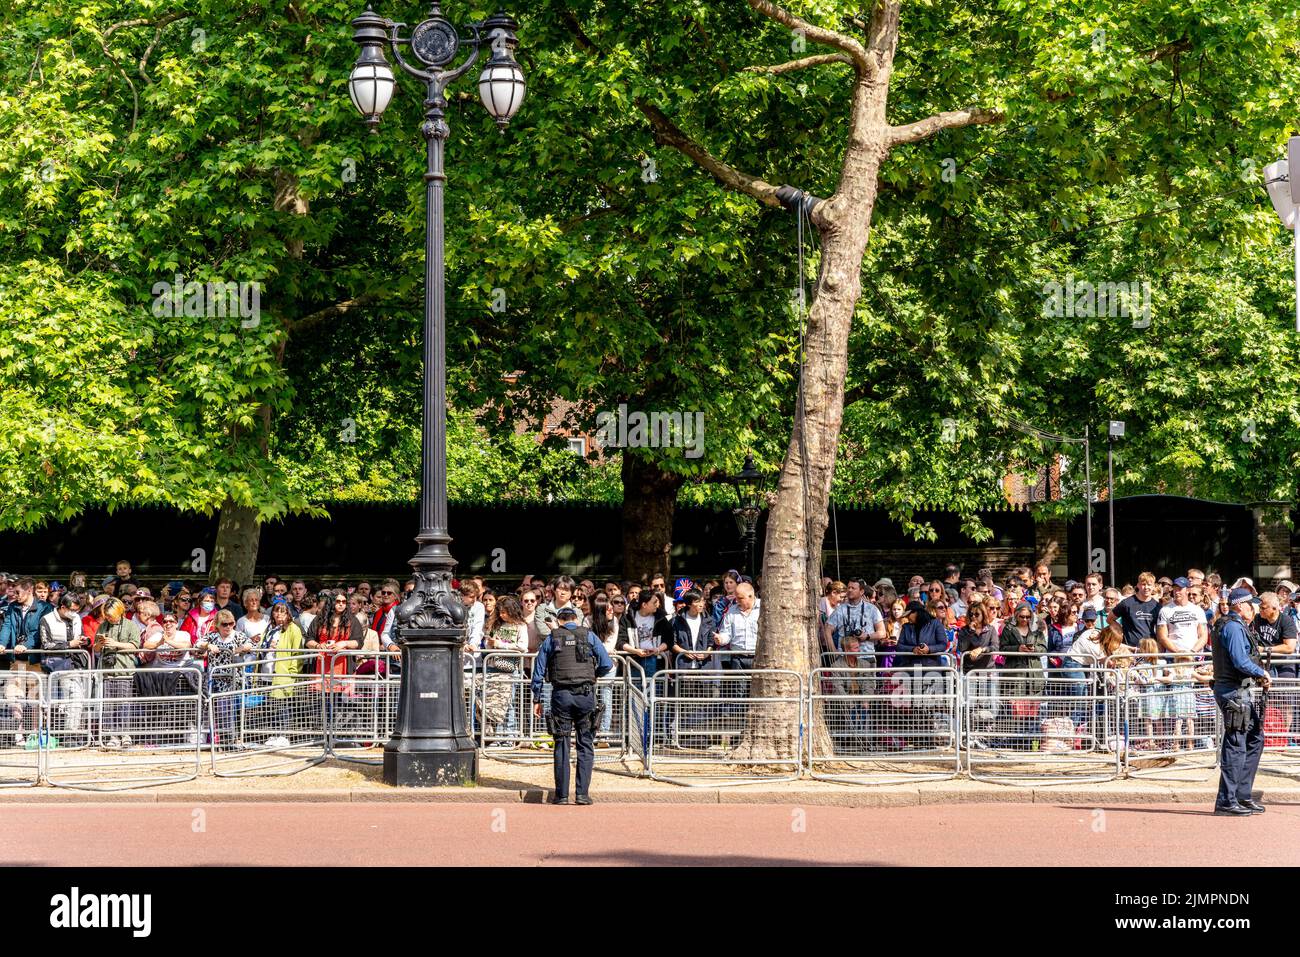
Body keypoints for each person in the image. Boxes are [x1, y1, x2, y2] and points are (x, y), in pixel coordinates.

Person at [531, 606, 612, 805]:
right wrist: (592, 676)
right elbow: (606, 664)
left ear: (559, 620)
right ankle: (582, 795)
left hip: (561, 696)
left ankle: (562, 795)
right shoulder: (589, 636)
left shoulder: (552, 638)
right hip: (585, 695)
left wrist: (536, 699)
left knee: (562, 744)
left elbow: (538, 671)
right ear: (576, 619)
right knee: (585, 744)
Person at [1210, 587, 1270, 815]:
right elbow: (1239, 660)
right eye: (1250, 604)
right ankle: (1227, 800)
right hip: (1234, 693)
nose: (1253, 608)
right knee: (1236, 744)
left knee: (1255, 738)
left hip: (1238, 691)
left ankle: (1242, 795)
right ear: (1240, 605)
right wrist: (1261, 673)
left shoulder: (1233, 625)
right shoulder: (1233, 627)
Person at [1156, 577, 1208, 654]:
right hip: (1173, 657)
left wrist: (1192, 652)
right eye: (1175, 589)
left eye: (1180, 589)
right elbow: (1162, 637)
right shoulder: (1165, 610)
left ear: (1187, 590)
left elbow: (1203, 636)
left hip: (1194, 656)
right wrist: (1178, 653)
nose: (1176, 592)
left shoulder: (1198, 610)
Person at [714, 582, 760, 669]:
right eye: (736, 598)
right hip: (737, 658)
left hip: (758, 657)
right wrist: (721, 639)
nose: (737, 601)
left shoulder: (763, 608)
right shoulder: (731, 610)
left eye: (740, 598)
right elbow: (726, 633)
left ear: (751, 596)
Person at [1111, 572, 1161, 647]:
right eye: (1143, 584)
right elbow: (1110, 619)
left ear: (1153, 586)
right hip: (1130, 649)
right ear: (1138, 585)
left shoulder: (1157, 606)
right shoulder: (1126, 603)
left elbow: (1159, 630)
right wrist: (1120, 629)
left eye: (1149, 585)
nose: (1146, 587)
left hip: (1150, 649)